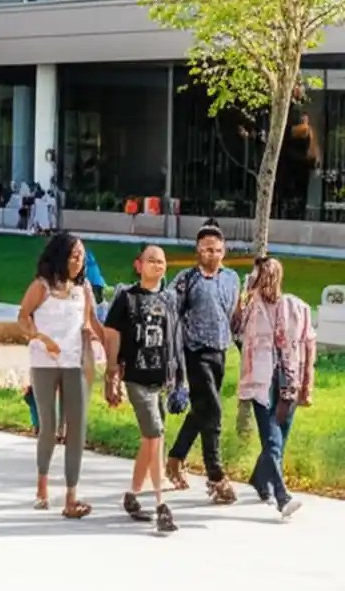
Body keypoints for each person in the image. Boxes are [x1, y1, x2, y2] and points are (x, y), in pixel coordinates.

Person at [18, 232, 103, 518]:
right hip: (44, 361)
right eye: (74, 256)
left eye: (82, 257)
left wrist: (109, 348)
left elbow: (91, 321)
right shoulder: (41, 286)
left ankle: (71, 497)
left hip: (74, 362)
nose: (78, 262)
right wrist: (40, 337)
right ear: (60, 256)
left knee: (77, 427)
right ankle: (42, 486)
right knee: (50, 426)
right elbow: (23, 317)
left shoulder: (83, 288)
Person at [101, 245, 182, 534]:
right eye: (151, 260)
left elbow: (176, 339)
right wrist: (111, 371)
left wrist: (179, 379)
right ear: (139, 265)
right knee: (155, 434)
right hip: (137, 378)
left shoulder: (169, 299)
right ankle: (161, 505)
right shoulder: (127, 298)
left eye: (161, 262)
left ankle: (133, 495)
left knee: (151, 441)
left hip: (161, 379)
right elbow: (111, 334)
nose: (157, 265)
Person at [234, 257, 316, 518]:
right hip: (259, 381)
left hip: (288, 382)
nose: (267, 280)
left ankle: (261, 481)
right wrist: (244, 295)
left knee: (280, 437)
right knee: (272, 440)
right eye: (261, 275)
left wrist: (307, 385)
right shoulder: (250, 308)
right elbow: (234, 331)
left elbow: (309, 345)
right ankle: (282, 497)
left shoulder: (297, 307)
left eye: (270, 274)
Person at [165, 220, 241, 503]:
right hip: (194, 352)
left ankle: (175, 457)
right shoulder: (187, 278)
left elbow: (233, 313)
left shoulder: (231, 278)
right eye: (207, 249)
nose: (213, 255)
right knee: (213, 411)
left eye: (218, 250)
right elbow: (169, 311)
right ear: (198, 250)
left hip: (220, 349)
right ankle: (216, 474)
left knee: (201, 410)